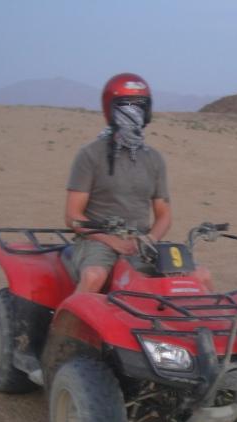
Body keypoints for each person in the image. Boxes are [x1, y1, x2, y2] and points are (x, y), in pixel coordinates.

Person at [65, 72, 172, 293]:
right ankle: (64, 327)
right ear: (111, 111)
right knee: (94, 277)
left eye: (139, 106)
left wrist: (150, 238)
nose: (133, 113)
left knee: (194, 276)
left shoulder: (154, 159)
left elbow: (164, 214)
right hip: (97, 242)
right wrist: (112, 241)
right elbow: (73, 216)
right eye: (125, 106)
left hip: (142, 241)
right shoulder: (90, 155)